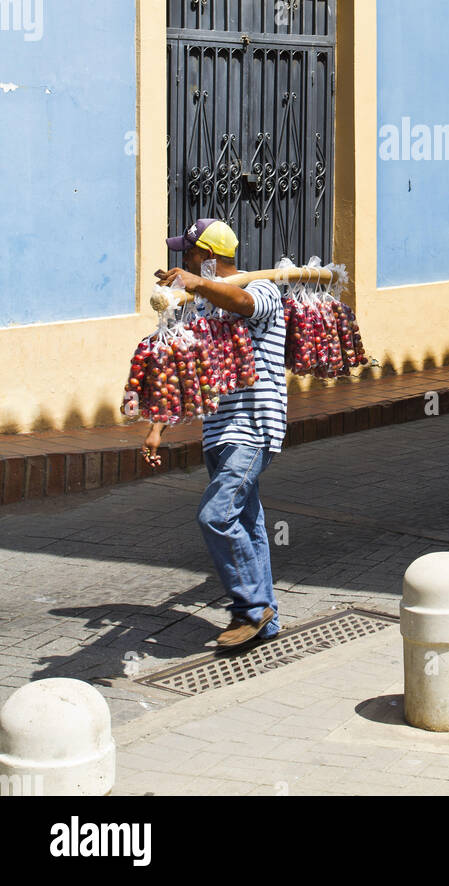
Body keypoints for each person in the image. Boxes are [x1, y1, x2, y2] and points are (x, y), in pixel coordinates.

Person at [142, 218, 287, 649]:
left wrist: (196, 285)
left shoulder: (262, 289)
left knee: (216, 515)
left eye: (185, 255)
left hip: (255, 427)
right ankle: (267, 620)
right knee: (248, 523)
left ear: (206, 256)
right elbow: (185, 373)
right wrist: (157, 428)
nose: (180, 263)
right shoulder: (200, 307)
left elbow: (241, 301)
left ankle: (249, 607)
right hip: (217, 432)